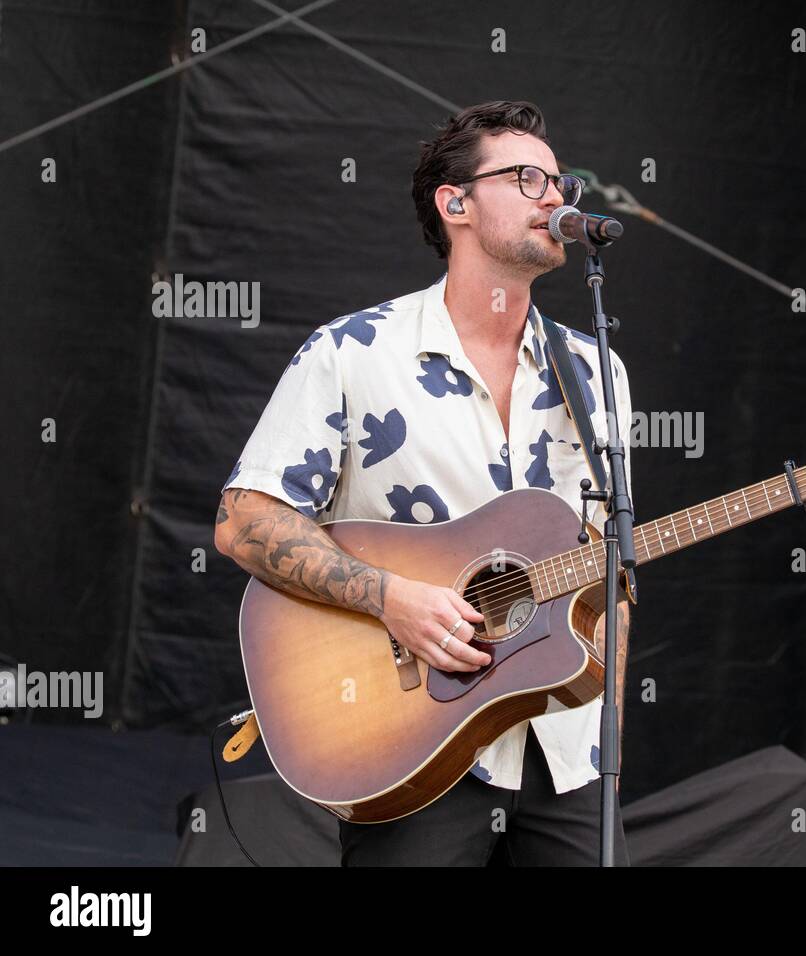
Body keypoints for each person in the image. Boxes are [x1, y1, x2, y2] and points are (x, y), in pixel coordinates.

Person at [213, 100, 632, 866]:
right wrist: (389, 598)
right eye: (527, 177)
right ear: (456, 203)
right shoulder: (353, 352)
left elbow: (613, 564)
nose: (556, 197)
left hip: (567, 755)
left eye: (560, 181)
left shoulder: (599, 372)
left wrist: (607, 717)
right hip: (415, 742)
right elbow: (244, 522)